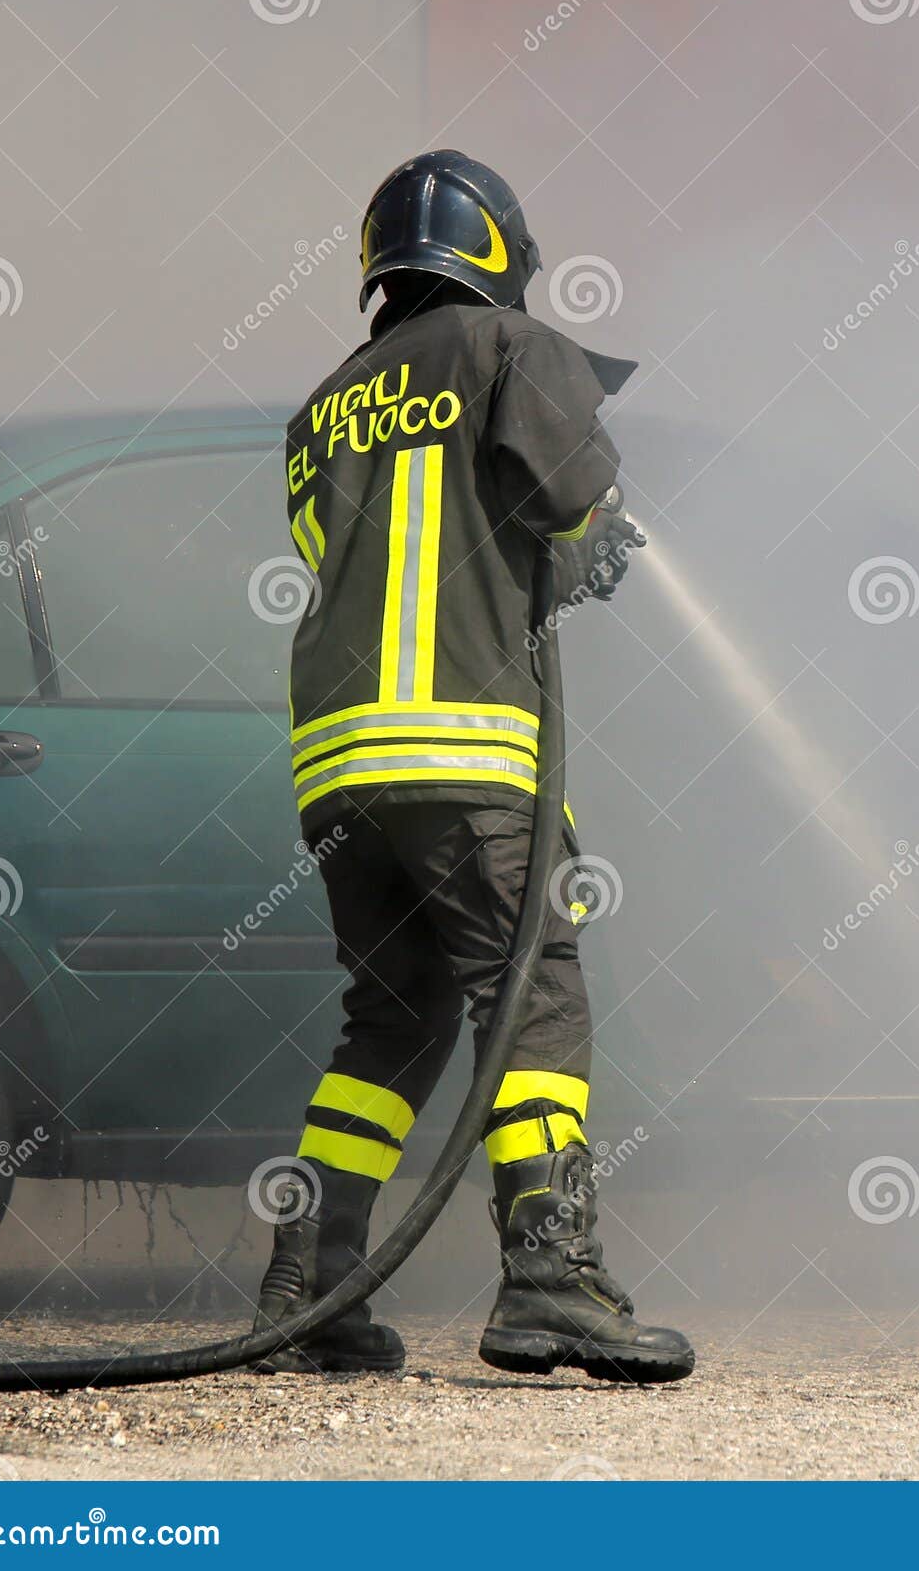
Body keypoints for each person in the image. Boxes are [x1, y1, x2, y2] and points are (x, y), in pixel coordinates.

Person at [250, 149, 693, 1385]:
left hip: (339, 769)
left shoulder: (323, 407)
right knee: (530, 992)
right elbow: (568, 495)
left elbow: (342, 548)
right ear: (496, 256)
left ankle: (307, 1285)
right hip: (466, 748)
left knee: (393, 1018)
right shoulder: (511, 348)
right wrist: (596, 536)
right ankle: (551, 1278)